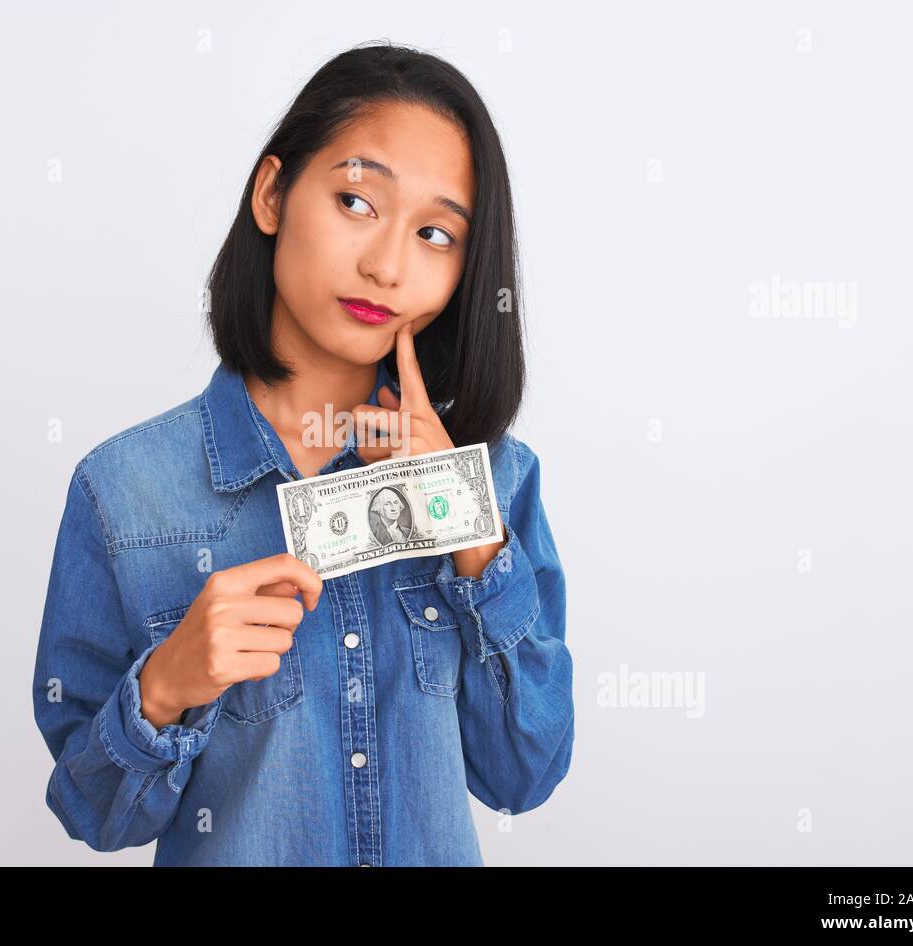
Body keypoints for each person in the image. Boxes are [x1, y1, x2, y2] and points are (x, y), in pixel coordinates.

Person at [31, 41, 574, 866]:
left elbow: (524, 773)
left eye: (435, 233)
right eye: (357, 201)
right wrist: (168, 683)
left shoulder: (495, 481)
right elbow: (93, 811)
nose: (386, 265)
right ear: (273, 194)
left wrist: (469, 533)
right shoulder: (126, 490)